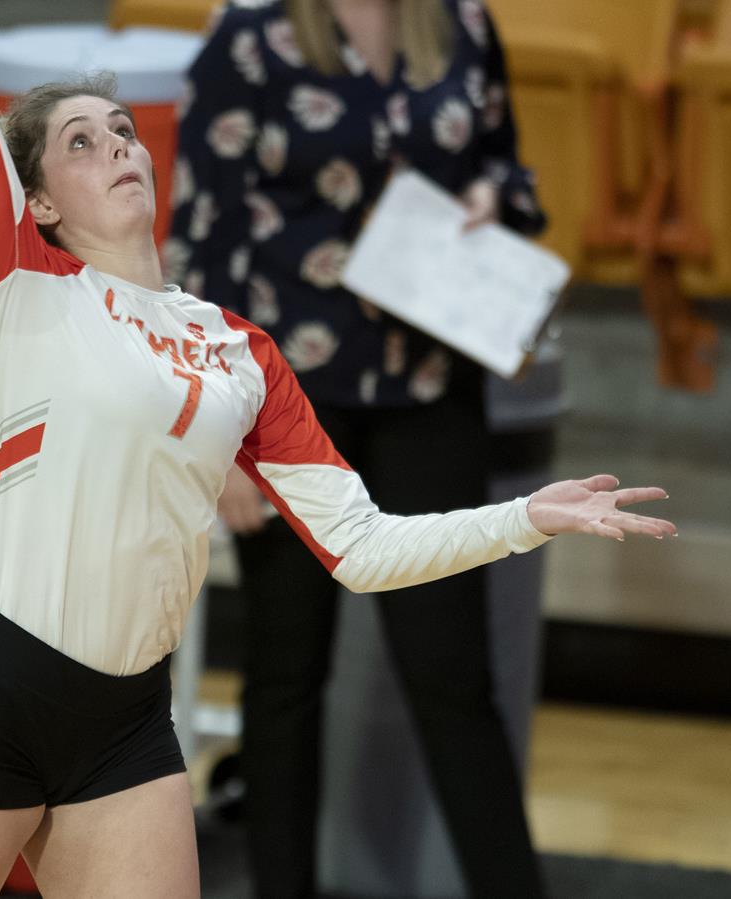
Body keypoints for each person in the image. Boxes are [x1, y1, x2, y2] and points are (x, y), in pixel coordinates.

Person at [0, 45, 673, 899]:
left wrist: (527, 516)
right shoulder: (24, 278)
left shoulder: (239, 350)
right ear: (42, 205)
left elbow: (359, 546)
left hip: (123, 726)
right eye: (81, 143)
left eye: (124, 130)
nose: (118, 148)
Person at [167, 0, 551, 894]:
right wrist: (219, 442)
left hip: (429, 391)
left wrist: (494, 200)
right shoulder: (249, 40)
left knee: (454, 674)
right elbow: (203, 248)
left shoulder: (462, 23)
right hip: (290, 408)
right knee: (288, 673)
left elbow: (509, 165)